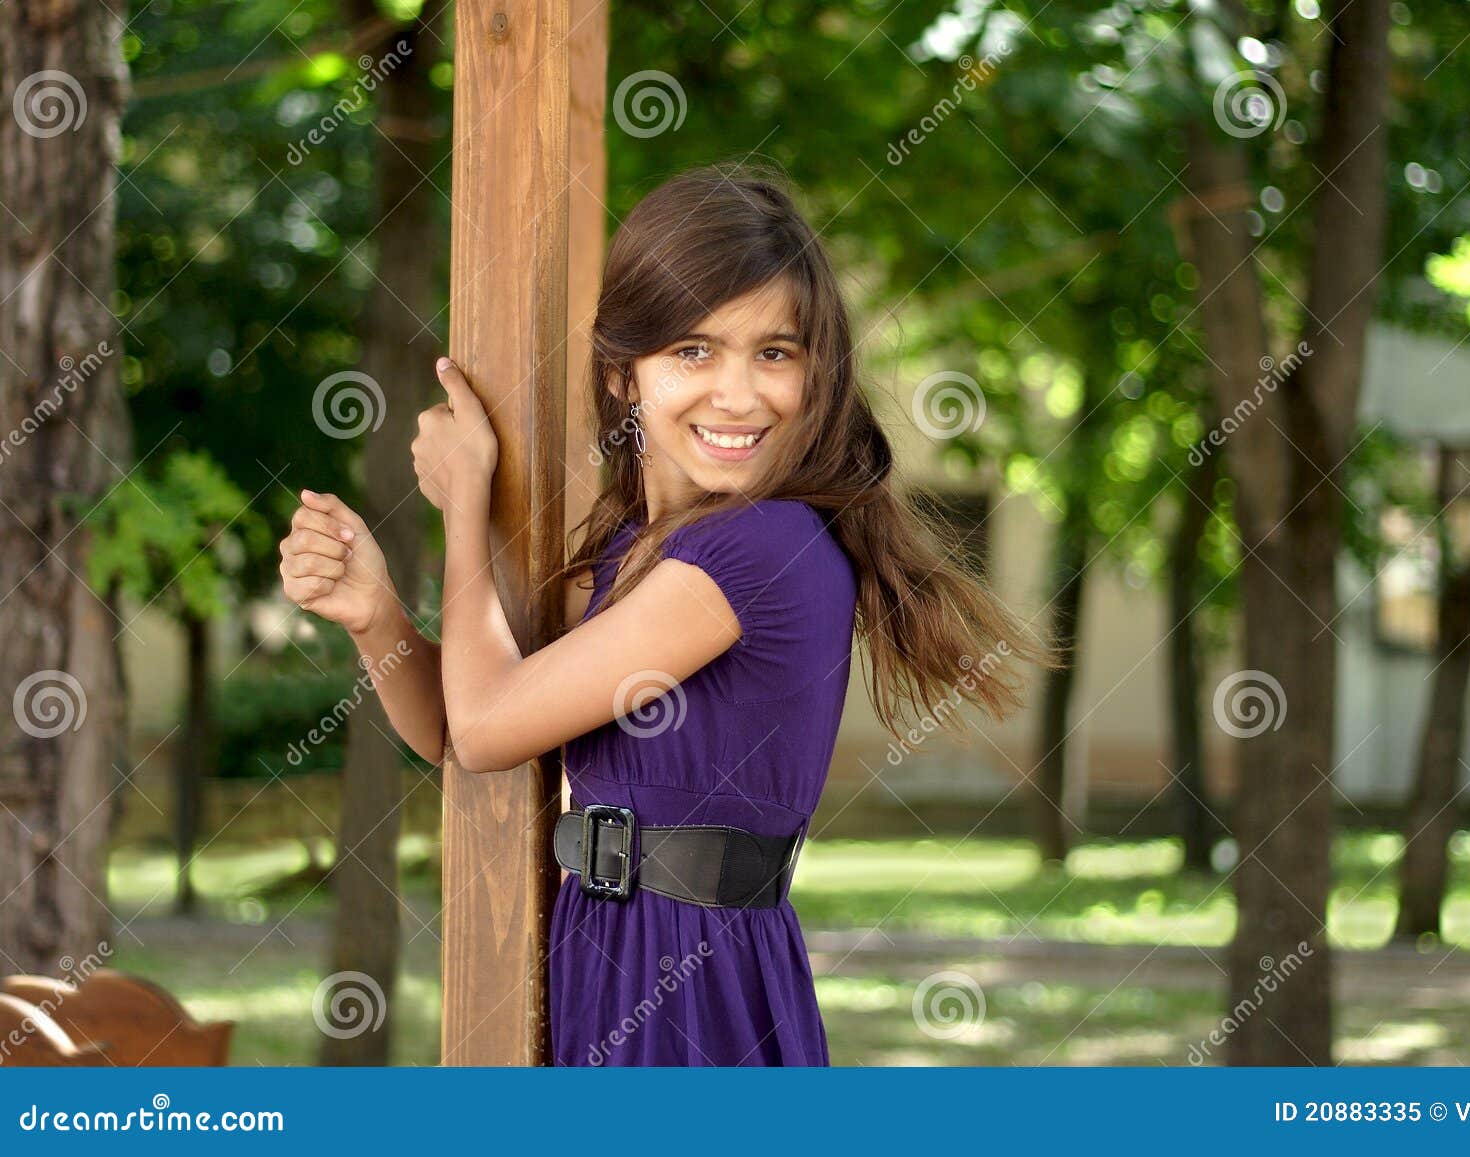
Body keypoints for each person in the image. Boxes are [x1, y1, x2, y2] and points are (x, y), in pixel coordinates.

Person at [278, 161, 1061, 1065]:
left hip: (699, 984)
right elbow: (462, 727)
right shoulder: (632, 551)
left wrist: (464, 505)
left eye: (775, 352)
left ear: (817, 372)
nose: (737, 394)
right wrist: (374, 614)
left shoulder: (765, 549)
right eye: (694, 351)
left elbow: (489, 726)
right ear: (622, 374)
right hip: (607, 961)